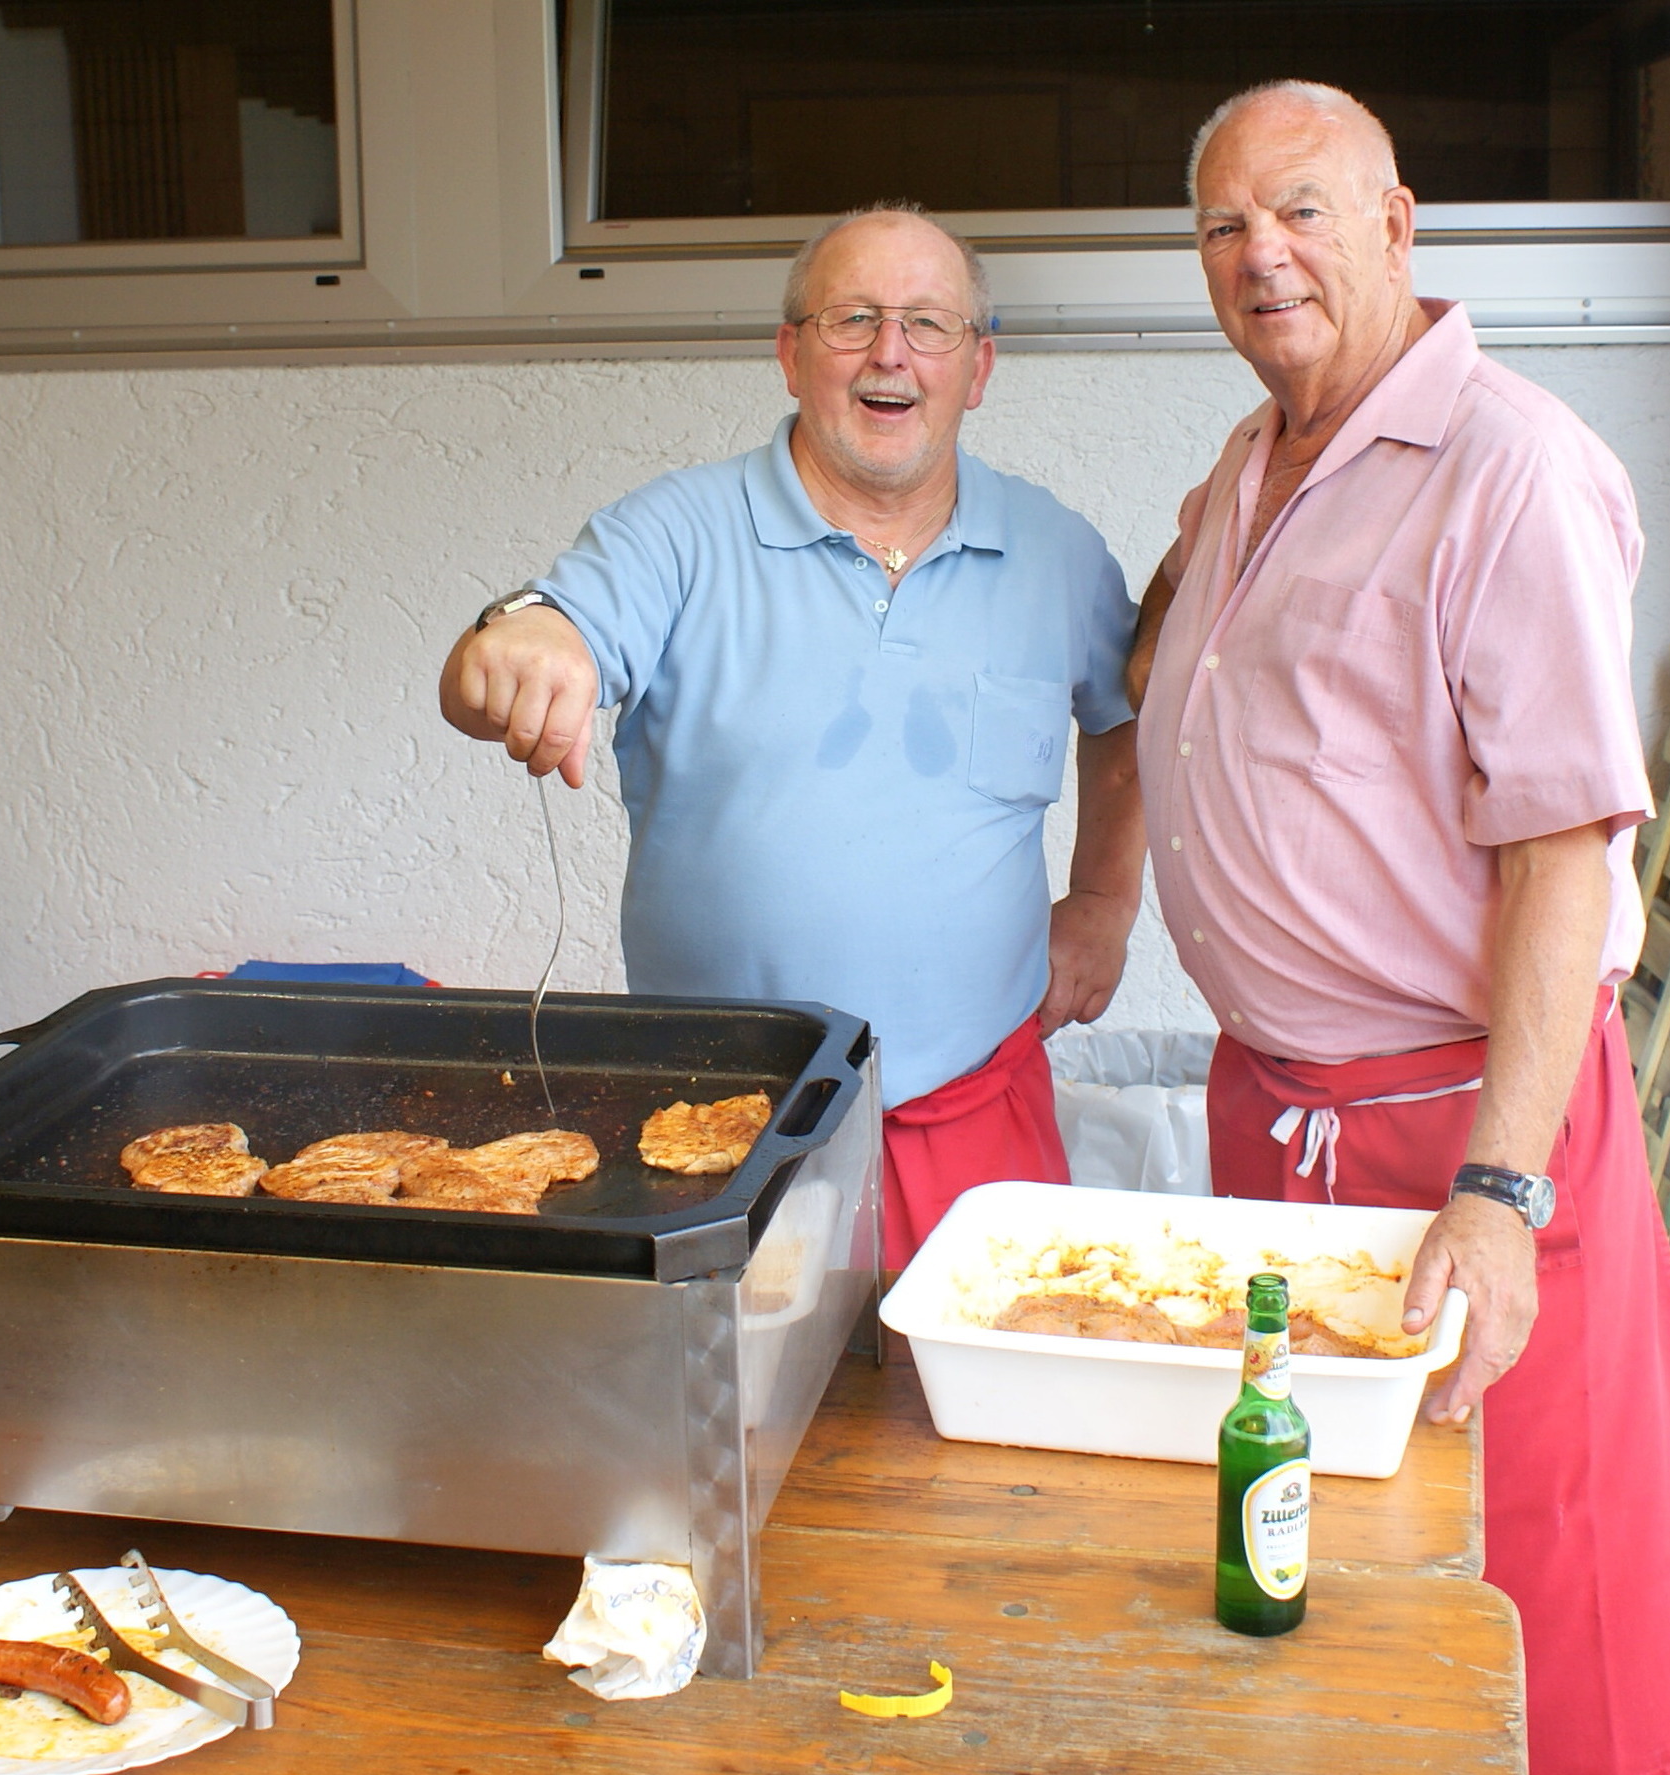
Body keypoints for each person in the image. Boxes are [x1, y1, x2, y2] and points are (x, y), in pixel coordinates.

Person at [1129, 81, 1670, 1775]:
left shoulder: (1511, 465)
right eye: (1220, 224)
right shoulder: (1249, 457)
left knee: (1520, 1591)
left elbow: (1564, 853)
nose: (1256, 252)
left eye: (1297, 208)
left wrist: (1500, 1192)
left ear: (1395, 221)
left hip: (1461, 1129)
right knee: (1315, 1551)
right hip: (1280, 1115)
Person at [441, 203, 1145, 1269]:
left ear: (979, 364)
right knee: (734, 1431)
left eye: (927, 324)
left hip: (971, 1111)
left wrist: (1100, 902)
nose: (889, 352)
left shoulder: (1055, 552)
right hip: (715, 1125)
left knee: (977, 1428)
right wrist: (517, 639)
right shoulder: (672, 531)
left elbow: (1125, 718)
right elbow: (527, 640)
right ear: (789, 352)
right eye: (851, 318)